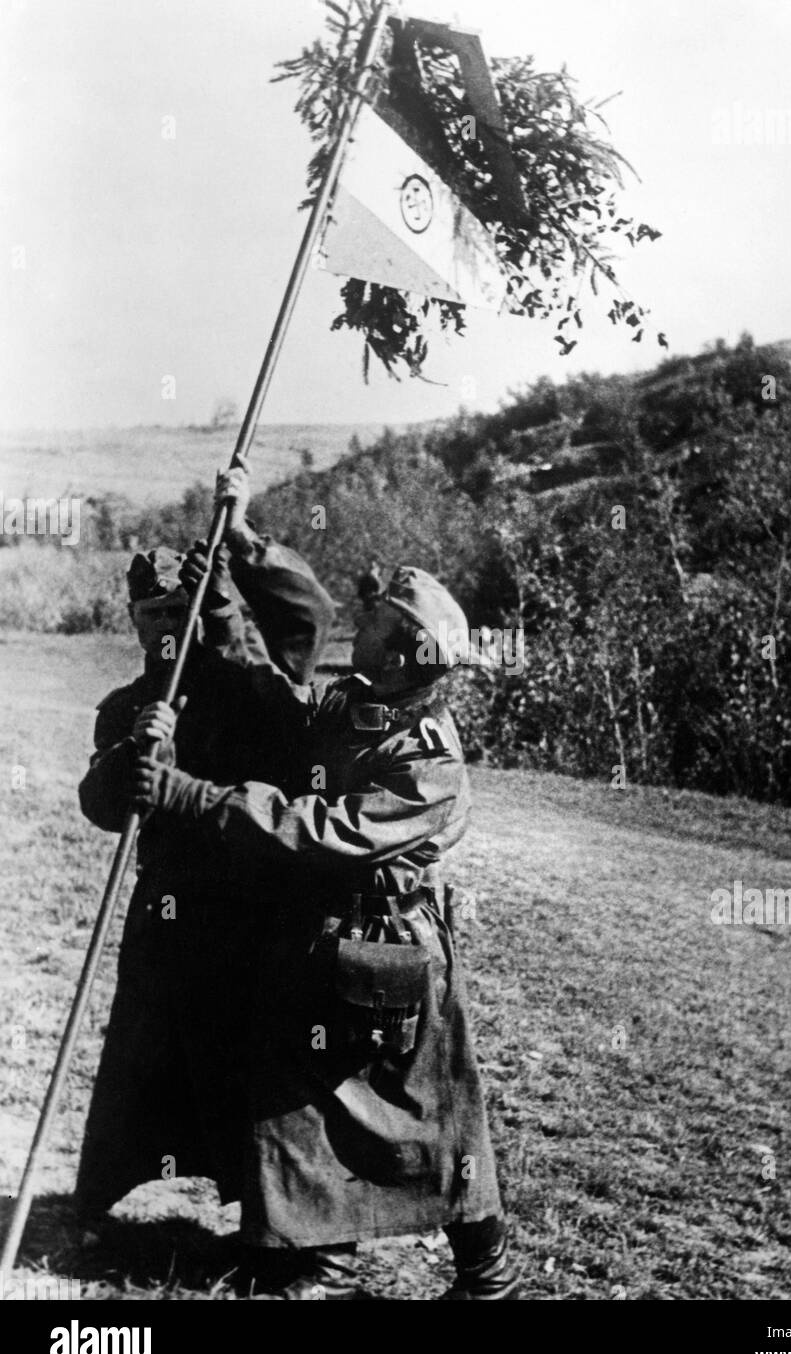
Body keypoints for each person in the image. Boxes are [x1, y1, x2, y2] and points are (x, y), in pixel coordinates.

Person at [132, 566, 519, 1300]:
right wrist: (220, 594)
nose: (359, 621)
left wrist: (192, 795)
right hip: (329, 935)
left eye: (375, 618)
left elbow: (315, 830)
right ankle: (327, 1263)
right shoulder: (355, 705)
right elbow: (275, 694)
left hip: (395, 946)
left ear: (403, 651)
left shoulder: (426, 757)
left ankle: (487, 1273)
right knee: (304, 1100)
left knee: (433, 1117)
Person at [74, 471, 334, 1233]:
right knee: (141, 1054)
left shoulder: (249, 686)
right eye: (150, 613)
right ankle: (97, 1205)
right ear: (131, 618)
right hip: (166, 907)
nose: (164, 627)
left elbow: (307, 616)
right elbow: (98, 803)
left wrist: (233, 572)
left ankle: (266, 1215)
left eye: (177, 610)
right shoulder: (127, 707)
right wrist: (131, 756)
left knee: (248, 1062)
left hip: (249, 906)